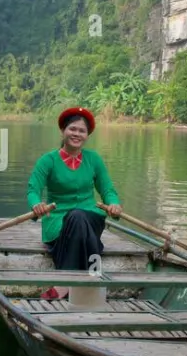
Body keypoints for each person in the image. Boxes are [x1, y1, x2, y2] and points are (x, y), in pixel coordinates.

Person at [27, 107, 122, 300]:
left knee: (79, 216)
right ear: (63, 130)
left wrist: (114, 204)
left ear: (87, 135)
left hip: (91, 217)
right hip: (58, 221)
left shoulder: (93, 159)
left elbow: (107, 190)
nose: (77, 134)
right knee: (77, 218)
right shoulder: (48, 161)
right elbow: (33, 190)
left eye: (82, 131)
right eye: (73, 129)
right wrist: (36, 204)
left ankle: (63, 284)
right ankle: (93, 275)